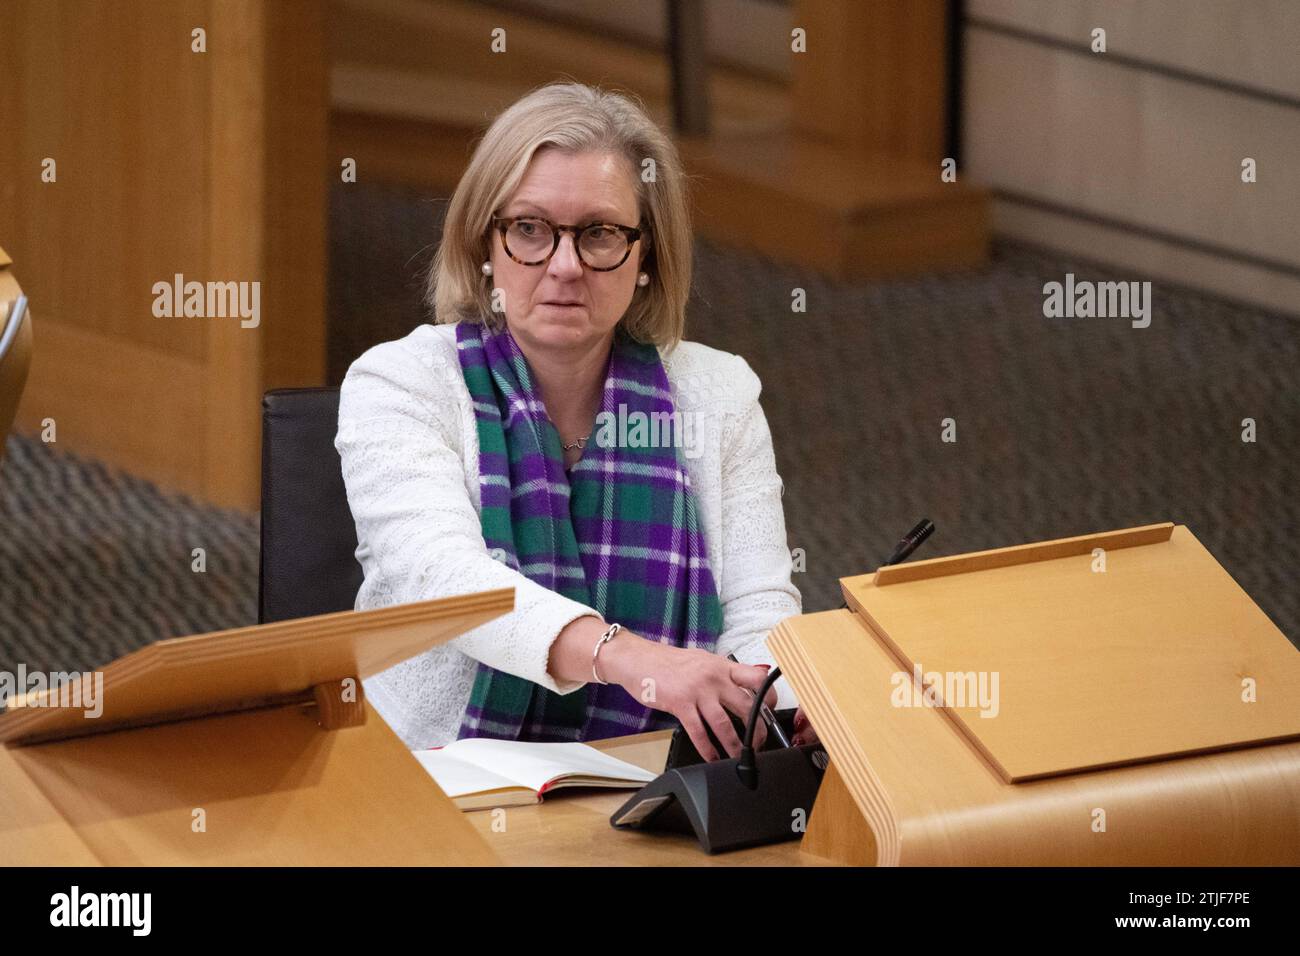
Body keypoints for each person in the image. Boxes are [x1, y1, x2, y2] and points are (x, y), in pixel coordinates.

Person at [336, 81, 817, 761]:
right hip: (438, 777)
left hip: (665, 771)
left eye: (598, 234)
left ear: (644, 255)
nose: (564, 267)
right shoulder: (401, 383)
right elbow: (447, 584)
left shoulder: (719, 395)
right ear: (485, 241)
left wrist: (786, 702)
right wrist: (632, 658)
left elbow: (761, 608)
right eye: (530, 229)